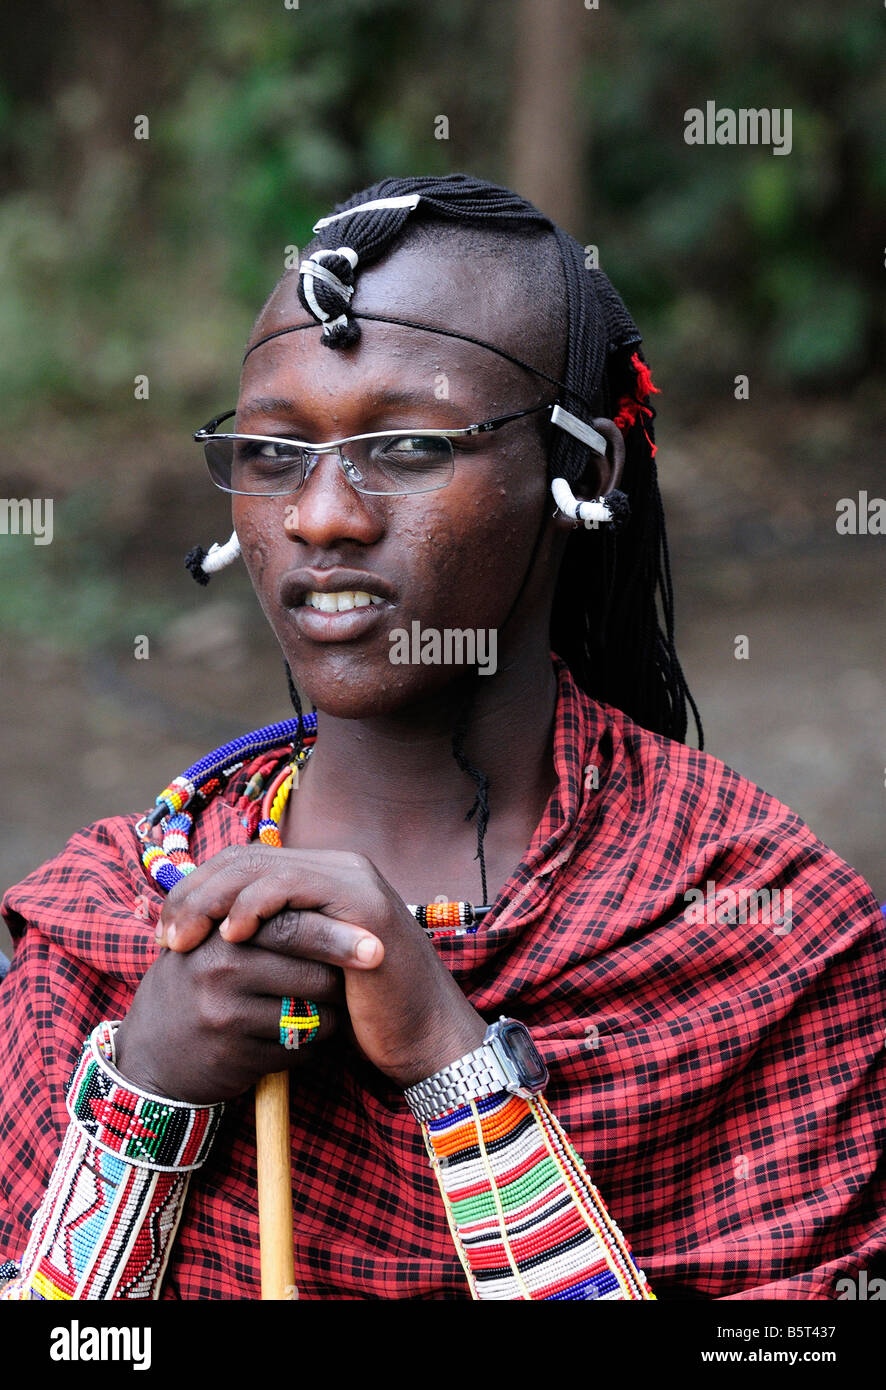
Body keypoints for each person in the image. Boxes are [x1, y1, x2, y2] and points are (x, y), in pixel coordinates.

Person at [1, 174, 883, 1302]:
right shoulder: (113, 924)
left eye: (411, 447)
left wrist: (448, 1059)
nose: (321, 515)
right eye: (272, 451)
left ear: (581, 472)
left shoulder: (760, 924)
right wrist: (147, 1089)